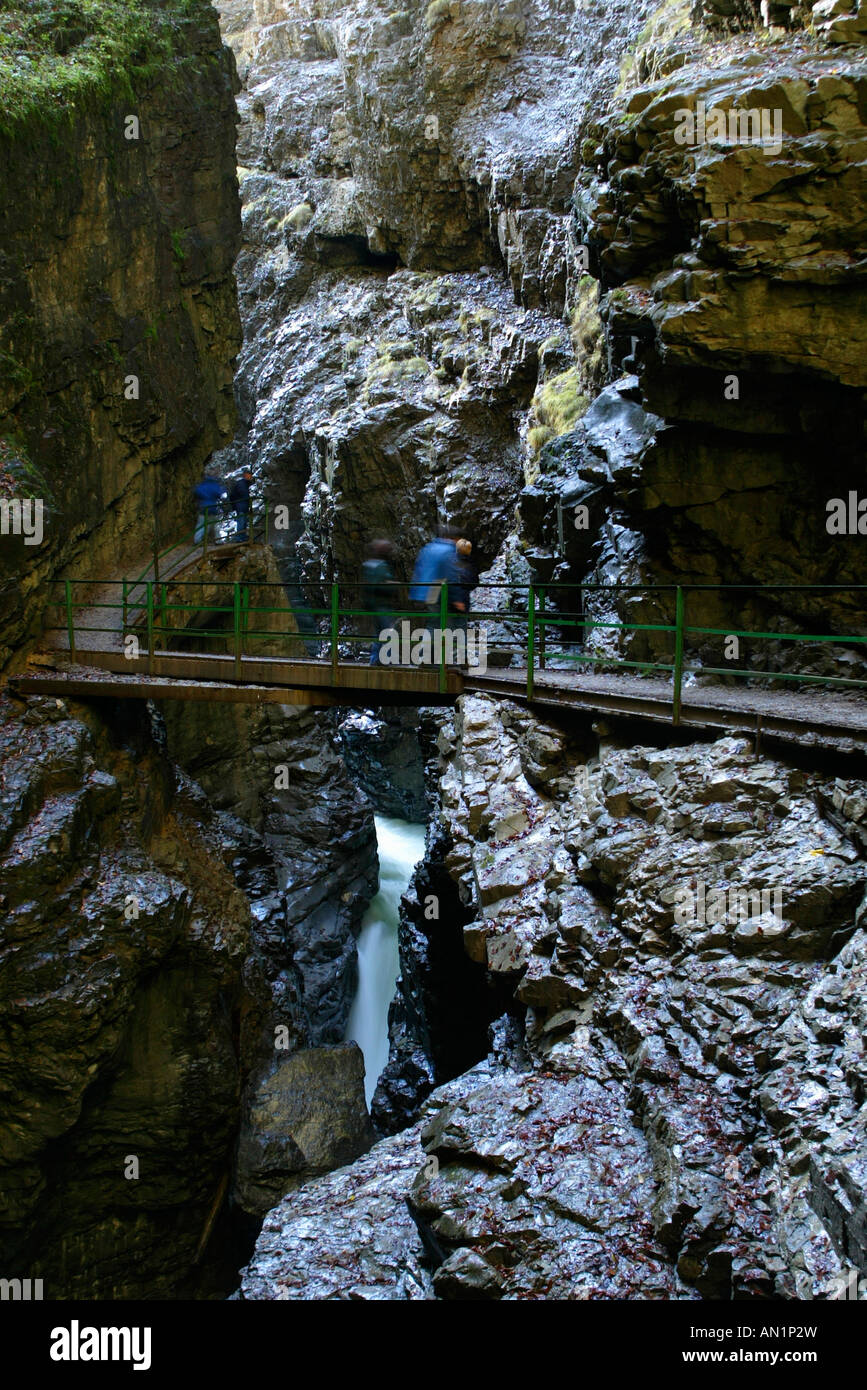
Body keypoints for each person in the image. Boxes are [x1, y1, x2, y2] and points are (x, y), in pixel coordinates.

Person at [409, 526, 458, 634]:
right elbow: (450, 573)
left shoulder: (428, 548)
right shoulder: (449, 550)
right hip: (439, 592)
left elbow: (419, 570)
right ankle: (439, 650)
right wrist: (455, 596)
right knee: (445, 624)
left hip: (423, 592)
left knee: (434, 623)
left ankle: (426, 649)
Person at [361, 539, 397, 666]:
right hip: (382, 604)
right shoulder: (380, 566)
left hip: (373, 604)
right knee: (388, 632)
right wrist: (391, 585)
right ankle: (385, 659)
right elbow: (379, 585)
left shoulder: (368, 564)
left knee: (379, 634)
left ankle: (375, 660)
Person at [447, 538, 477, 633]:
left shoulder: (449, 561)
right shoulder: (470, 564)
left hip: (448, 598)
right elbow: (474, 583)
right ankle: (461, 647)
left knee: (447, 626)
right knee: (461, 627)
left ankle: (448, 647)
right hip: (463, 598)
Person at [194, 474, 226, 543]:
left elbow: (197, 491)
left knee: (201, 524)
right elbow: (220, 493)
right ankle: (218, 540)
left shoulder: (202, 486)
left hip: (203, 507)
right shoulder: (215, 486)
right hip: (213, 507)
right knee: (215, 525)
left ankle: (197, 540)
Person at [229, 469, 253, 541]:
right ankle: (239, 537)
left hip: (242, 505)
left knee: (243, 522)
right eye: (250, 475)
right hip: (241, 505)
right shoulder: (242, 484)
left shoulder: (244, 484)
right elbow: (243, 494)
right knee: (241, 522)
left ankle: (242, 536)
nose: (251, 477)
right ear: (246, 475)